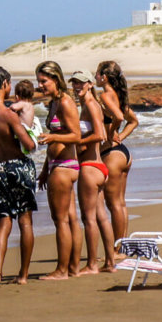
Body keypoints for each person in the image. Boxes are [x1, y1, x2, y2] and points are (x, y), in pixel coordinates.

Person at [0, 66, 38, 288]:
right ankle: (22, 275)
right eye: (9, 84)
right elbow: (29, 146)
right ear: (4, 84)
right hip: (18, 166)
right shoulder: (8, 115)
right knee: (25, 220)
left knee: (4, 220)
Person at [35, 60, 82, 281]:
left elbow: (76, 136)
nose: (41, 85)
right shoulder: (54, 102)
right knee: (70, 218)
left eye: (44, 81)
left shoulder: (65, 102)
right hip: (57, 165)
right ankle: (72, 268)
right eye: (39, 81)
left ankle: (62, 270)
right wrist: (45, 169)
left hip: (65, 167)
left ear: (56, 79)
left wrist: (52, 137)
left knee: (60, 219)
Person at [66, 71, 112, 275]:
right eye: (74, 83)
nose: (77, 87)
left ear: (90, 84)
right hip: (99, 167)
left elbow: (100, 135)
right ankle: (110, 262)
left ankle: (92, 264)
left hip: (90, 168)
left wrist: (76, 142)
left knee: (89, 218)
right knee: (101, 217)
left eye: (80, 83)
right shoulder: (87, 105)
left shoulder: (91, 105)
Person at [97, 61, 138, 250]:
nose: (95, 77)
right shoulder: (119, 97)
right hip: (123, 154)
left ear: (104, 77)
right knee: (120, 203)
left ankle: (117, 249)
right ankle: (122, 246)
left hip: (112, 153)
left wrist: (112, 133)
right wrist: (120, 136)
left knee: (113, 205)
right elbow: (133, 121)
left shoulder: (105, 95)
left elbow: (120, 118)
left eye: (97, 74)